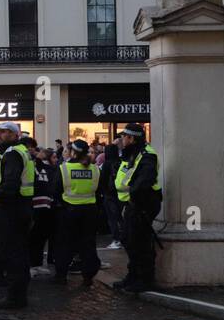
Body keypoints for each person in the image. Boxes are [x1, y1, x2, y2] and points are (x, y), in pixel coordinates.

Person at [113, 123, 162, 294]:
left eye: (124, 137)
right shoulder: (132, 154)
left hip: (142, 204)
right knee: (129, 240)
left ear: (131, 138)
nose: (121, 140)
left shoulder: (147, 155)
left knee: (140, 242)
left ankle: (145, 279)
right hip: (131, 203)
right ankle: (133, 275)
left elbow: (144, 181)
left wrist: (135, 198)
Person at [0, 121, 34, 309]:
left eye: (2, 132)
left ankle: (14, 297)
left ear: (11, 133)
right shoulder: (23, 151)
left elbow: (10, 183)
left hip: (11, 209)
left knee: (11, 253)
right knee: (20, 252)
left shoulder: (12, 154)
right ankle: (19, 294)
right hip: (23, 207)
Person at [52, 139, 101, 287]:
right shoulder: (95, 169)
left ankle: (61, 275)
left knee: (65, 244)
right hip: (90, 211)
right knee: (88, 244)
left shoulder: (64, 168)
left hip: (69, 211)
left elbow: (55, 190)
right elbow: (99, 190)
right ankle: (88, 276)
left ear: (73, 152)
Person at [29, 143, 57, 271]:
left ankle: (35, 262)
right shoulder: (49, 169)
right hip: (43, 205)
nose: (56, 160)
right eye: (54, 157)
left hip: (38, 205)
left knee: (37, 236)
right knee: (39, 236)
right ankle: (35, 262)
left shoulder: (34, 167)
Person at [100, 142, 124, 250]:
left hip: (109, 195)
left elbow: (103, 180)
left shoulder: (107, 163)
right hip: (121, 194)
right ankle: (123, 238)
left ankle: (116, 239)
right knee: (120, 217)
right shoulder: (121, 162)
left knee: (112, 218)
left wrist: (103, 191)